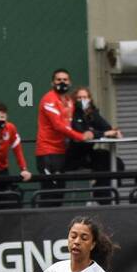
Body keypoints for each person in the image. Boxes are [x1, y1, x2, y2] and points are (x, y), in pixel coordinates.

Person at [35, 67, 93, 205]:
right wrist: (80, 136)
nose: (62, 82)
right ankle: (44, 225)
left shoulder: (69, 100)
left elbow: (77, 119)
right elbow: (58, 125)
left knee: (60, 194)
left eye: (65, 80)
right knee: (49, 195)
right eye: (58, 80)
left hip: (62, 152)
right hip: (47, 152)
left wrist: (97, 131)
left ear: (70, 82)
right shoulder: (48, 100)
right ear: (52, 83)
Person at [64, 86, 121, 198]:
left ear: (90, 99)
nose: (82, 100)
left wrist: (115, 132)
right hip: (73, 157)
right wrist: (101, 133)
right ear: (74, 100)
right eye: (79, 98)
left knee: (116, 163)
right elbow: (82, 133)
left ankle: (102, 194)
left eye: (85, 97)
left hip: (88, 154)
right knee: (103, 164)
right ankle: (102, 196)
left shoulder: (92, 113)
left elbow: (107, 128)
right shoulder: (71, 114)